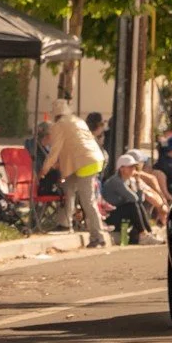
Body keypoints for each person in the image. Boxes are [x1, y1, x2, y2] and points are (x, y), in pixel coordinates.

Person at [39, 99, 108, 247]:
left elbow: (55, 150)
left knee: (87, 200)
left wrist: (44, 169)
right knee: (68, 187)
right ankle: (64, 223)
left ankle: (98, 236)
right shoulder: (77, 121)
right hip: (92, 158)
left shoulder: (58, 125)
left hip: (84, 163)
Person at [100, 154, 159, 245]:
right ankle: (143, 234)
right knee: (132, 206)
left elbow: (140, 200)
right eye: (130, 167)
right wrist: (136, 185)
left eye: (134, 167)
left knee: (137, 205)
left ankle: (148, 233)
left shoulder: (130, 180)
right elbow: (134, 198)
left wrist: (138, 183)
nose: (133, 169)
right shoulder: (116, 181)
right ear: (121, 168)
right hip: (109, 217)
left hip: (120, 214)